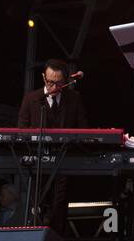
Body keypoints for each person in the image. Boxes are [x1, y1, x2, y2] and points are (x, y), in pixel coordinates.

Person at [16, 59, 90, 231]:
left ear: (65, 81)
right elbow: (21, 130)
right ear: (43, 77)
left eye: (58, 83)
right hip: (37, 163)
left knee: (60, 206)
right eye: (50, 82)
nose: (53, 87)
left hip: (63, 162)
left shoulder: (74, 98)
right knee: (36, 205)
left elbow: (84, 130)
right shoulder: (31, 99)